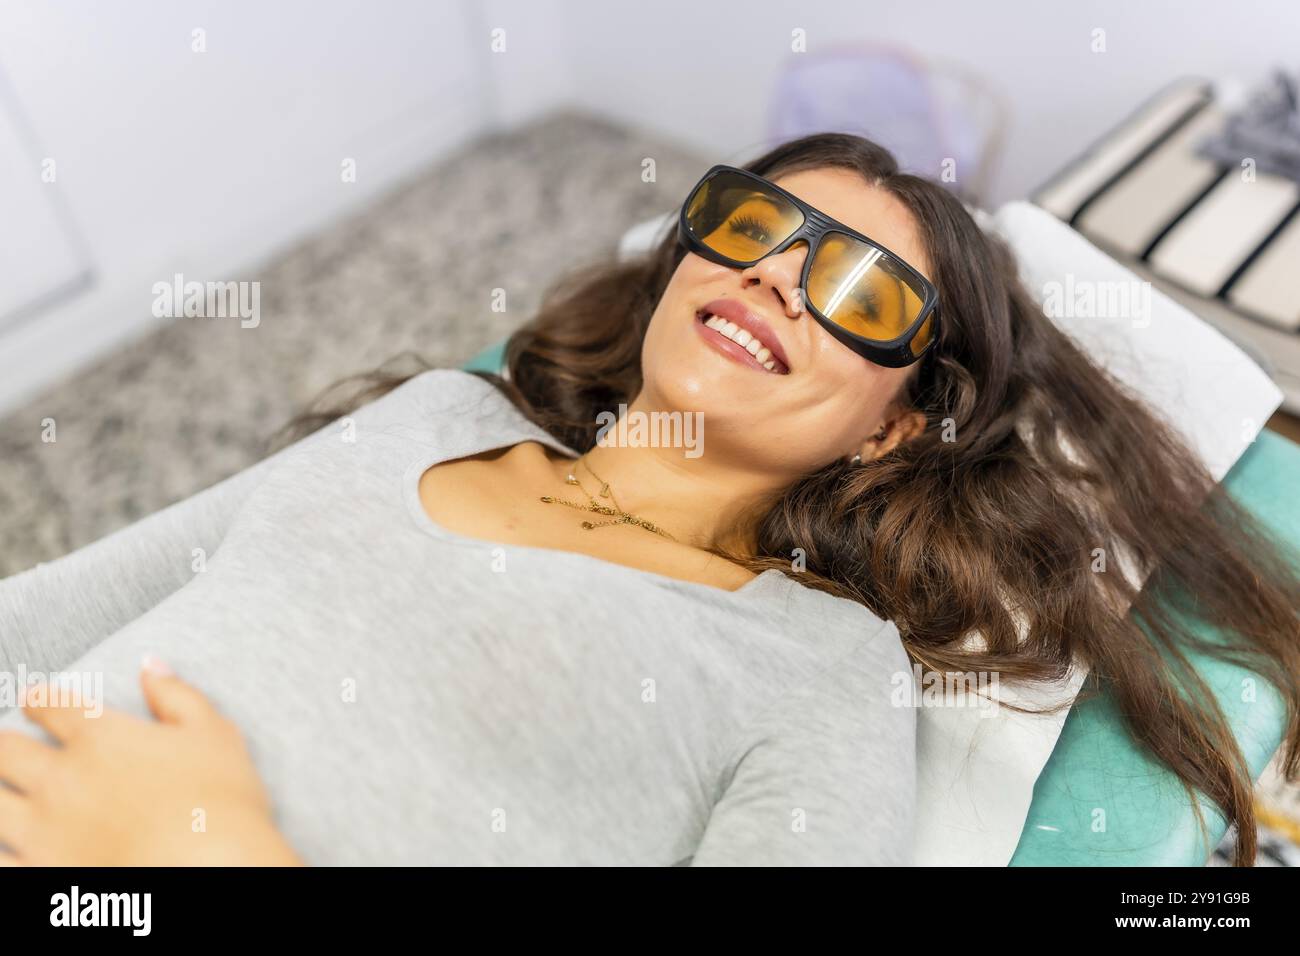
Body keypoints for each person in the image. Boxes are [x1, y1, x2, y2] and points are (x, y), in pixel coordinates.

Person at [0, 132, 1296, 866]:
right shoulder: (436, 420)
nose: (782, 280)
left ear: (897, 420)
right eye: (752, 227)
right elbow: (46, 620)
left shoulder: (816, 669)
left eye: (861, 295)